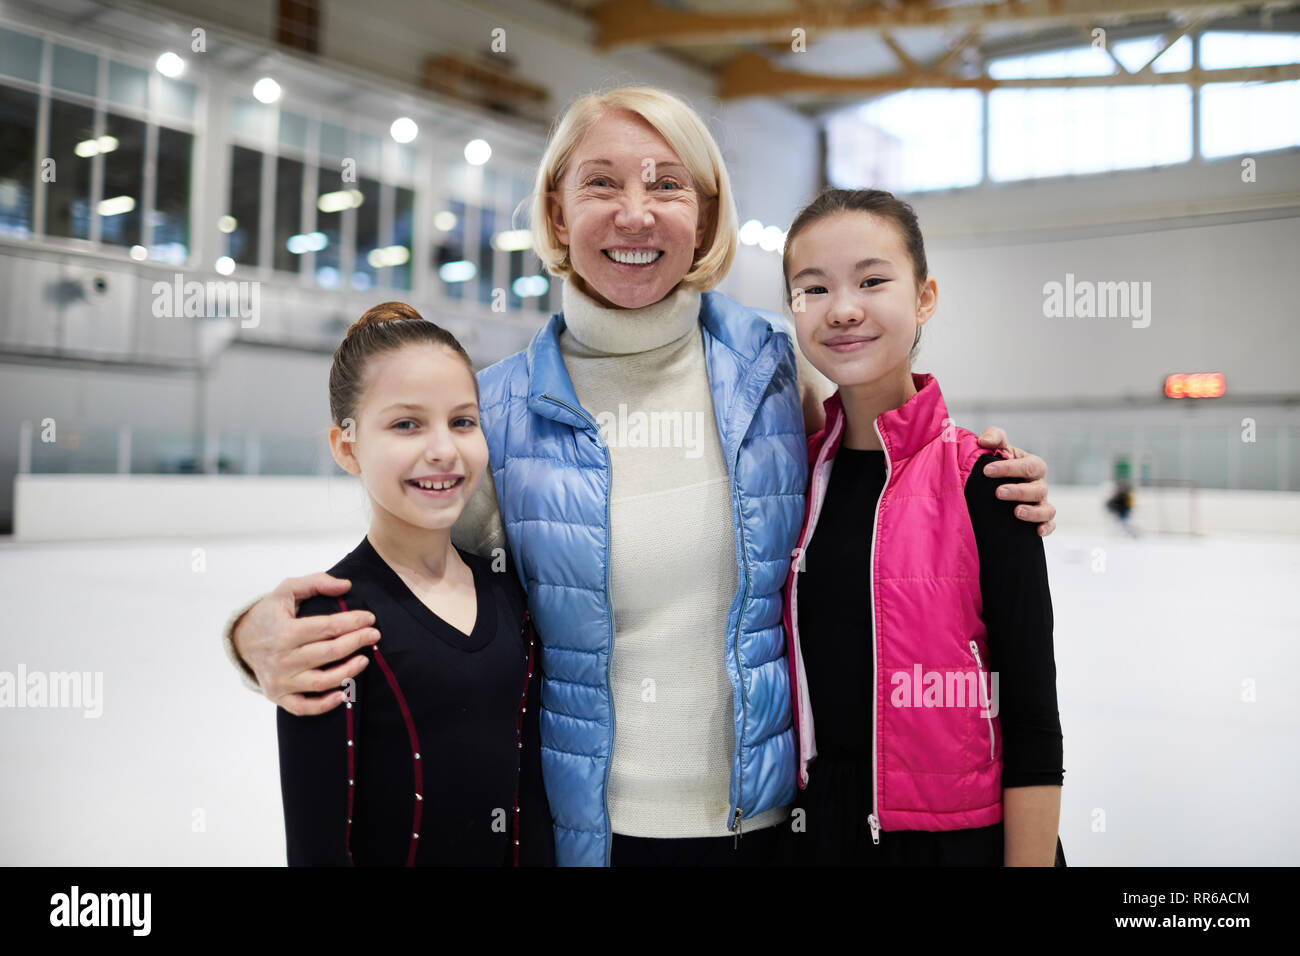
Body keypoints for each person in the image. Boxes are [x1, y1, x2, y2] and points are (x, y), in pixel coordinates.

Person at [224, 86, 1058, 867]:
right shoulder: (503, 409)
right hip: (597, 839)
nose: (636, 212)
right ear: (557, 210)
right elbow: (413, 575)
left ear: (704, 214)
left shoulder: (771, 372)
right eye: (601, 183)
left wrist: (980, 477)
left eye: (667, 183)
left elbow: (873, 476)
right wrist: (249, 633)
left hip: (774, 833)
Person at [779, 188, 1064, 866]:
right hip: (816, 832)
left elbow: (1031, 717)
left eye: (873, 281)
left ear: (925, 297)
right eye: (813, 289)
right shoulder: (786, 481)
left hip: (956, 841)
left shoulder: (986, 483)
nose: (843, 308)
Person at [276, 302, 552, 866]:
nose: (443, 450)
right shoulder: (332, 624)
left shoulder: (508, 595)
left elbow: (527, 803)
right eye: (406, 424)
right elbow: (317, 848)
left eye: (462, 421)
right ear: (347, 447)